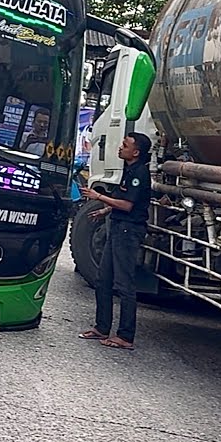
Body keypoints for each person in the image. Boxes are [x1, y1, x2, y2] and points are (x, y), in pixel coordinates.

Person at [77, 131, 152, 350]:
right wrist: (106, 210)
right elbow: (124, 199)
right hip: (118, 227)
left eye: (125, 145)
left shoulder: (139, 174)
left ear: (136, 152)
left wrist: (98, 196)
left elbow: (128, 206)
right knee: (103, 279)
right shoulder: (128, 171)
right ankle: (102, 327)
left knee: (124, 284)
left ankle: (125, 336)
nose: (120, 147)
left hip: (128, 232)